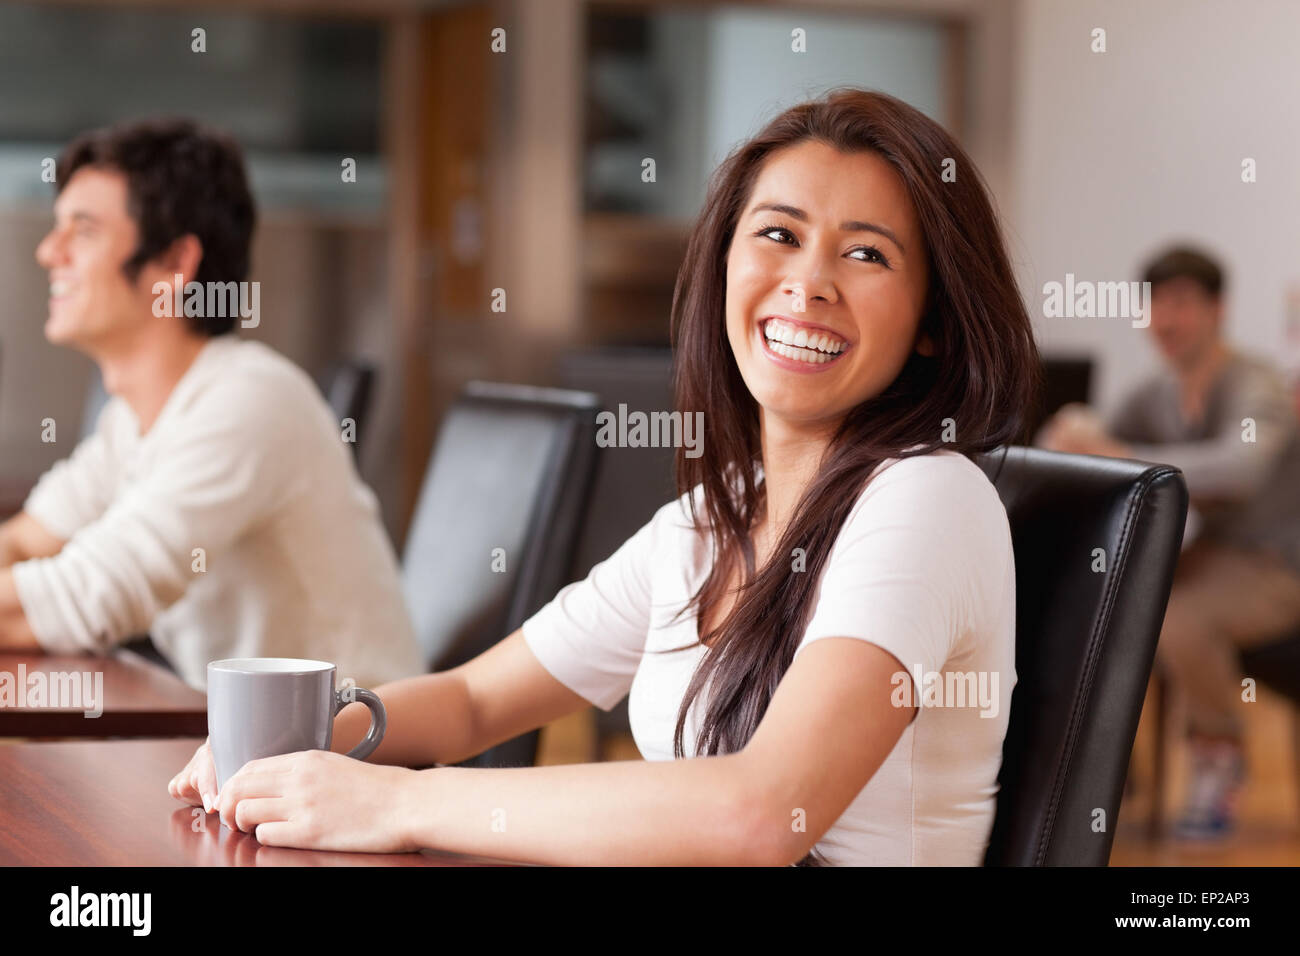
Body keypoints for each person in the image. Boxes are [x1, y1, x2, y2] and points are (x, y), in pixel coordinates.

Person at [171, 88, 1040, 866]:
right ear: (725, 265)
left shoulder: (928, 496)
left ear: (933, 323)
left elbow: (764, 814)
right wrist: (291, 745)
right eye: (778, 234)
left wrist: (398, 803)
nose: (808, 284)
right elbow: (475, 701)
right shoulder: (710, 522)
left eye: (867, 255)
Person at [0, 117, 423, 692]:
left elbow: (84, 598)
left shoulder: (247, 400)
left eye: (84, 230)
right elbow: (24, 542)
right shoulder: (132, 419)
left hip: (358, 754)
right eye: (57, 228)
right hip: (242, 748)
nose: (49, 251)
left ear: (175, 265)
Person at [1038, 246, 1300, 839]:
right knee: (1091, 603)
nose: (1166, 319)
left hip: (1277, 566)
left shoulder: (1255, 385)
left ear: (1218, 310)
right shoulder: (1154, 392)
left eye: (1182, 302)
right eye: (1154, 305)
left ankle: (1219, 762)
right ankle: (1106, 768)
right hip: (1210, 561)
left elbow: (1241, 469)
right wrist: (1072, 432)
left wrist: (1119, 452)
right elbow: (1094, 447)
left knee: (1175, 618)